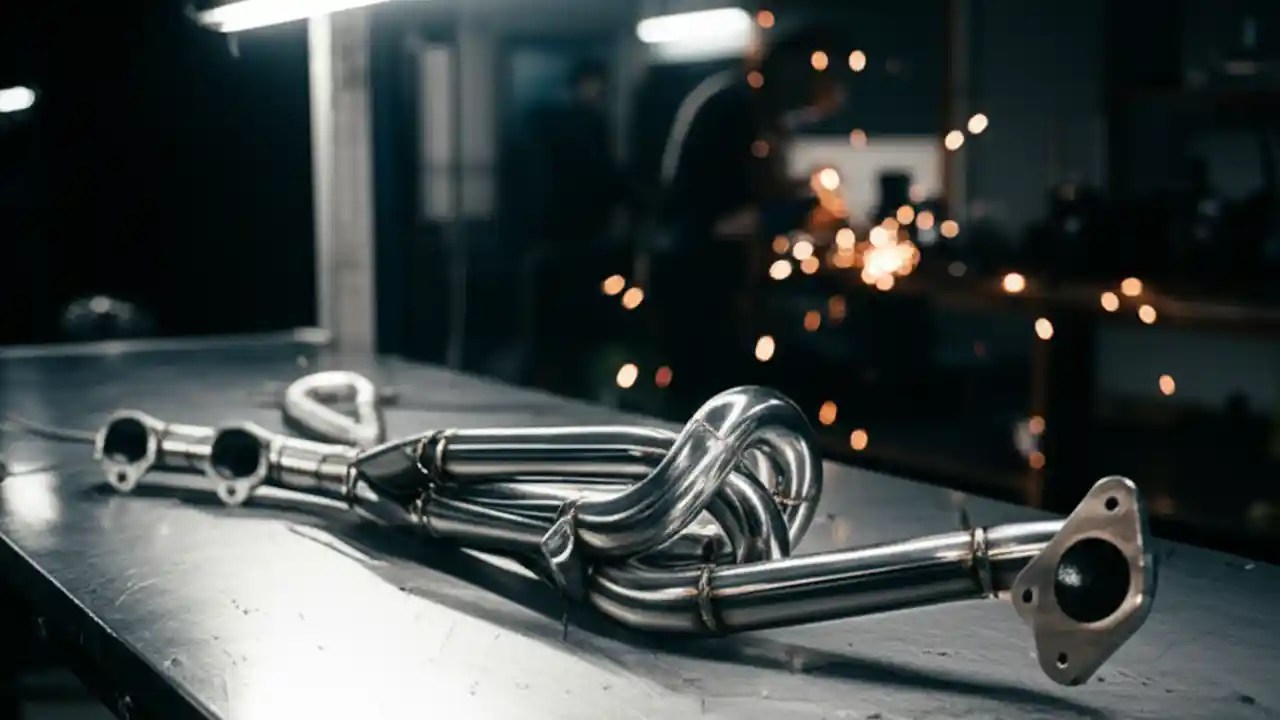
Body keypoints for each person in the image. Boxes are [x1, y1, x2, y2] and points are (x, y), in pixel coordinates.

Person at [651, 31, 845, 400]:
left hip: (708, 273)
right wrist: (800, 211)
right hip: (695, 282)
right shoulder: (732, 110)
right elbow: (722, 220)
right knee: (706, 401)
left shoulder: (745, 104)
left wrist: (799, 188)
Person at [523, 59, 623, 396]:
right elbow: (603, 180)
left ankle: (549, 386)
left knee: (551, 333)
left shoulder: (543, 125)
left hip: (553, 241)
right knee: (571, 331)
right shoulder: (586, 127)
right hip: (577, 244)